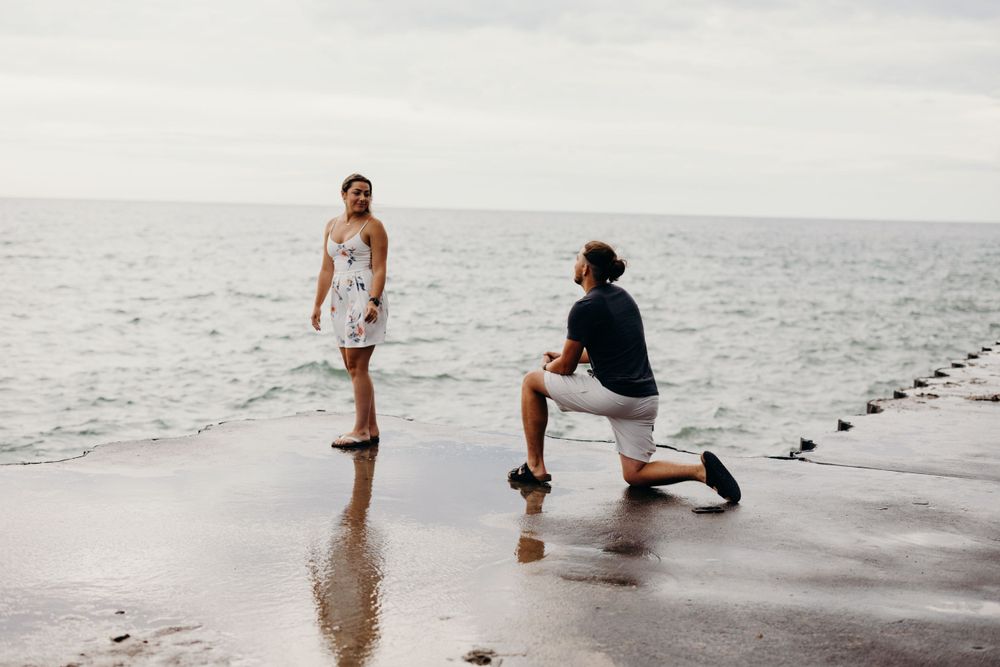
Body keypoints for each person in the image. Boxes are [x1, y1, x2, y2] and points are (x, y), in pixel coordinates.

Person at [508, 241, 741, 503]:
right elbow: (605, 351)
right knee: (635, 474)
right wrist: (561, 357)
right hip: (645, 399)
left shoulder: (584, 307)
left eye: (576, 259)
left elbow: (566, 368)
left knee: (531, 382)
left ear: (585, 269)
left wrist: (547, 365)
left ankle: (535, 467)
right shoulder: (622, 297)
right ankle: (700, 471)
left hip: (616, 396)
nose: (573, 264)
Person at [311, 173, 388, 447]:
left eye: (367, 193)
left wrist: (373, 301)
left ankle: (360, 430)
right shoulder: (331, 225)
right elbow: (326, 268)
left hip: (363, 296)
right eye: (357, 192)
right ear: (343, 194)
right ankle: (371, 426)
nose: (363, 198)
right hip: (339, 297)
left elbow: (379, 269)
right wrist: (317, 304)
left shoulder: (373, 226)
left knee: (358, 365)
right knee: (351, 365)